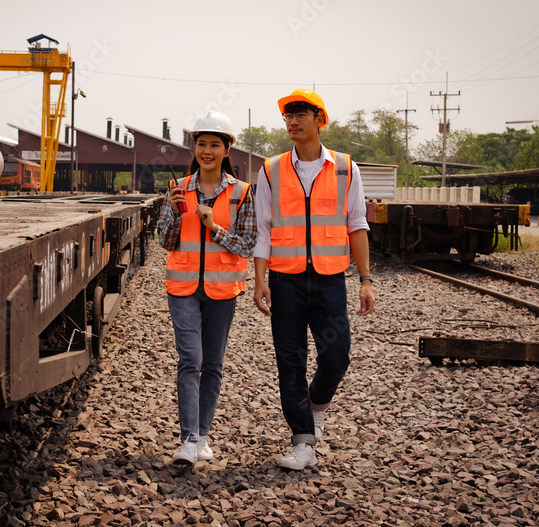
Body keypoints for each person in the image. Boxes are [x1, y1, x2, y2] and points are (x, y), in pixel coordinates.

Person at [251, 89, 375, 470]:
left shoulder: (344, 168)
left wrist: (366, 279)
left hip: (329, 281)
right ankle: (303, 442)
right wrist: (260, 279)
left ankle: (316, 406)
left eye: (301, 114)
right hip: (286, 281)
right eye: (288, 116)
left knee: (336, 357)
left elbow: (356, 223)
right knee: (290, 363)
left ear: (319, 119)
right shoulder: (271, 169)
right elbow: (264, 229)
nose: (292, 122)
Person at [156, 111, 257, 465]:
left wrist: (214, 227)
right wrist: (172, 212)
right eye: (202, 144)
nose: (208, 151)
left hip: (222, 290)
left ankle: (204, 436)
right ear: (194, 148)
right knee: (191, 360)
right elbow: (165, 242)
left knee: (212, 364)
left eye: (215, 144)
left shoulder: (242, 193)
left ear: (228, 149)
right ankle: (189, 439)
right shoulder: (178, 188)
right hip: (182, 288)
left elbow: (246, 245)